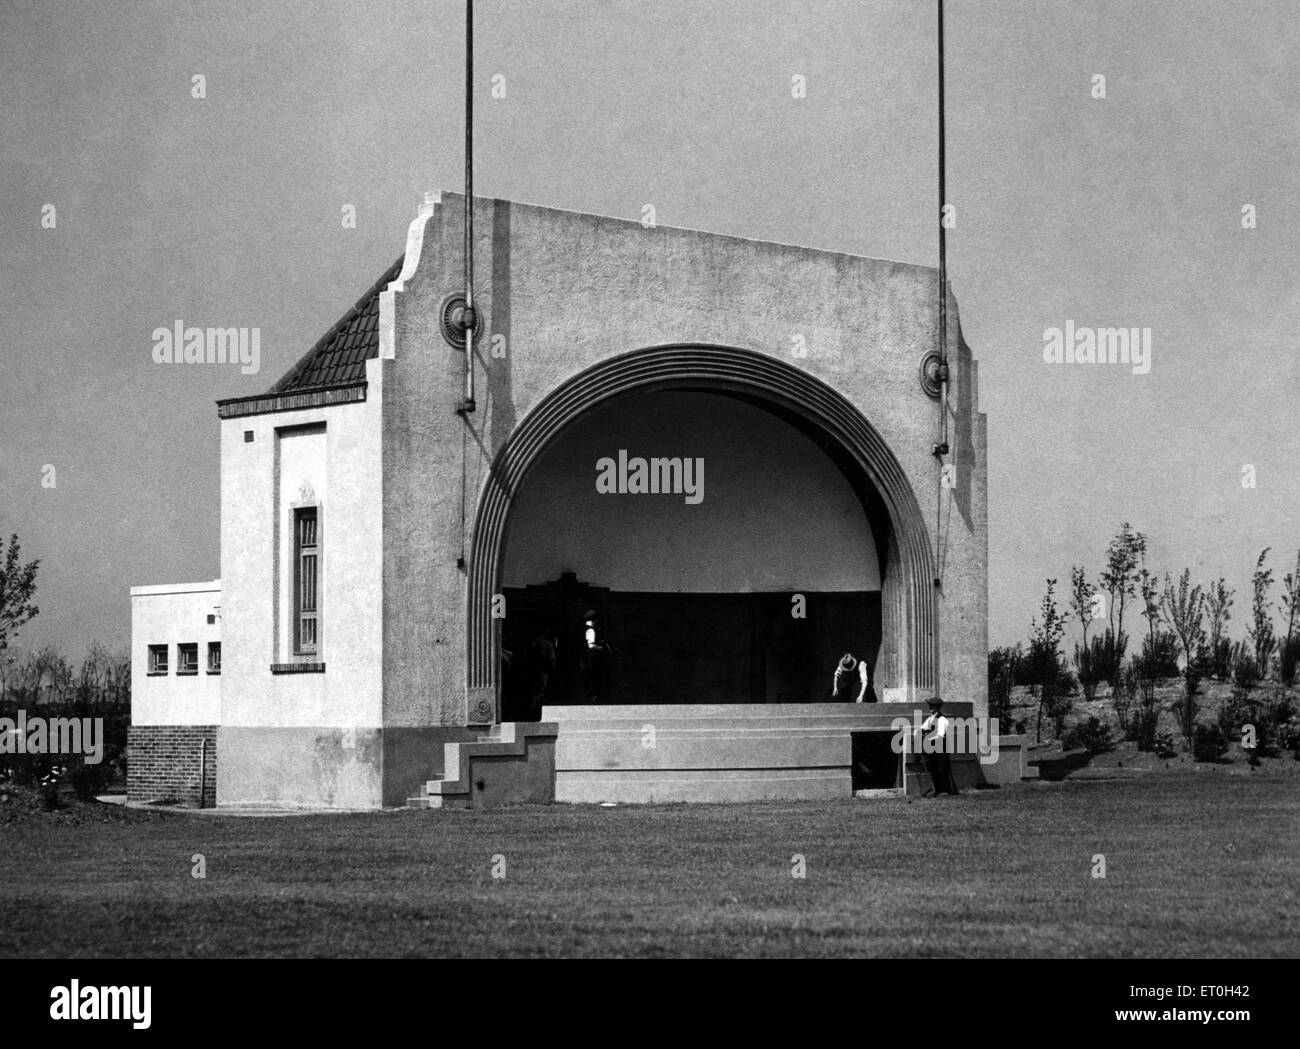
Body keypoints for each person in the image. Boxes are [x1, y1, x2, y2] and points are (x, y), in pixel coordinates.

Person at [920, 696, 960, 796]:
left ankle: (946, 790)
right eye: (929, 706)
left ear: (938, 707)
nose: (930, 708)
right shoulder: (929, 719)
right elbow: (922, 729)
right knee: (934, 768)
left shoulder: (942, 719)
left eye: (932, 706)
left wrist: (927, 739)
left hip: (941, 747)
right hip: (933, 748)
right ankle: (937, 790)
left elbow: (940, 735)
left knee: (941, 768)